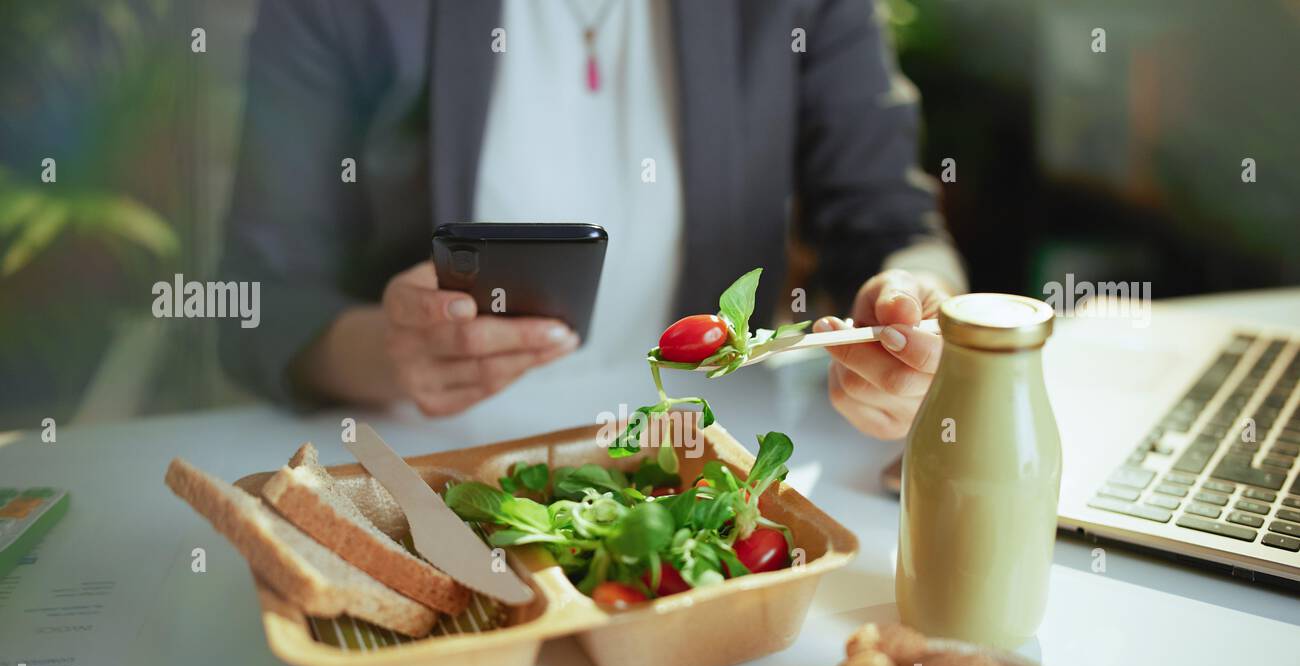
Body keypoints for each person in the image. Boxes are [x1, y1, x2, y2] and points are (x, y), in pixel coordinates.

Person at [219, 0, 965, 439]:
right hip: (417, 462)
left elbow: (889, 220)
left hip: (699, 465)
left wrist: (917, 313)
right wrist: (391, 353)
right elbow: (257, 303)